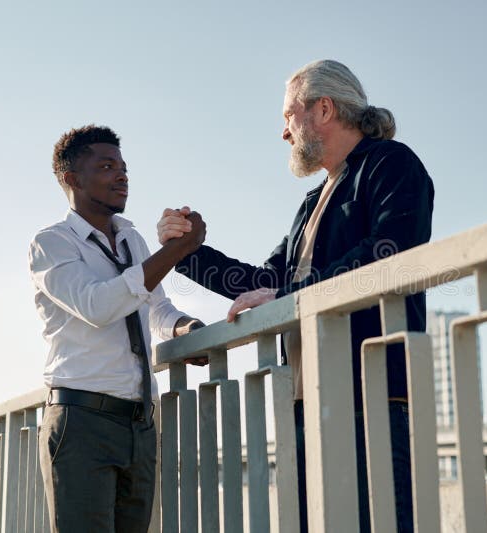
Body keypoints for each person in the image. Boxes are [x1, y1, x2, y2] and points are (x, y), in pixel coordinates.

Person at [158, 60, 434, 532]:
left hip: (371, 397)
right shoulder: (311, 202)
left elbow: (390, 251)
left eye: (289, 115)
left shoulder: (392, 163)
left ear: (323, 109)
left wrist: (289, 295)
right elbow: (263, 284)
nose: (284, 131)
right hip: (307, 404)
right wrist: (185, 252)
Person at [29, 125, 206, 532]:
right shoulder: (52, 243)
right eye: (107, 167)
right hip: (81, 420)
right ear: (73, 179)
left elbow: (156, 309)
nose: (122, 176)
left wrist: (186, 329)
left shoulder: (132, 241)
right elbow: (97, 306)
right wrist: (176, 250)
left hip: (139, 424)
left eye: (123, 167)